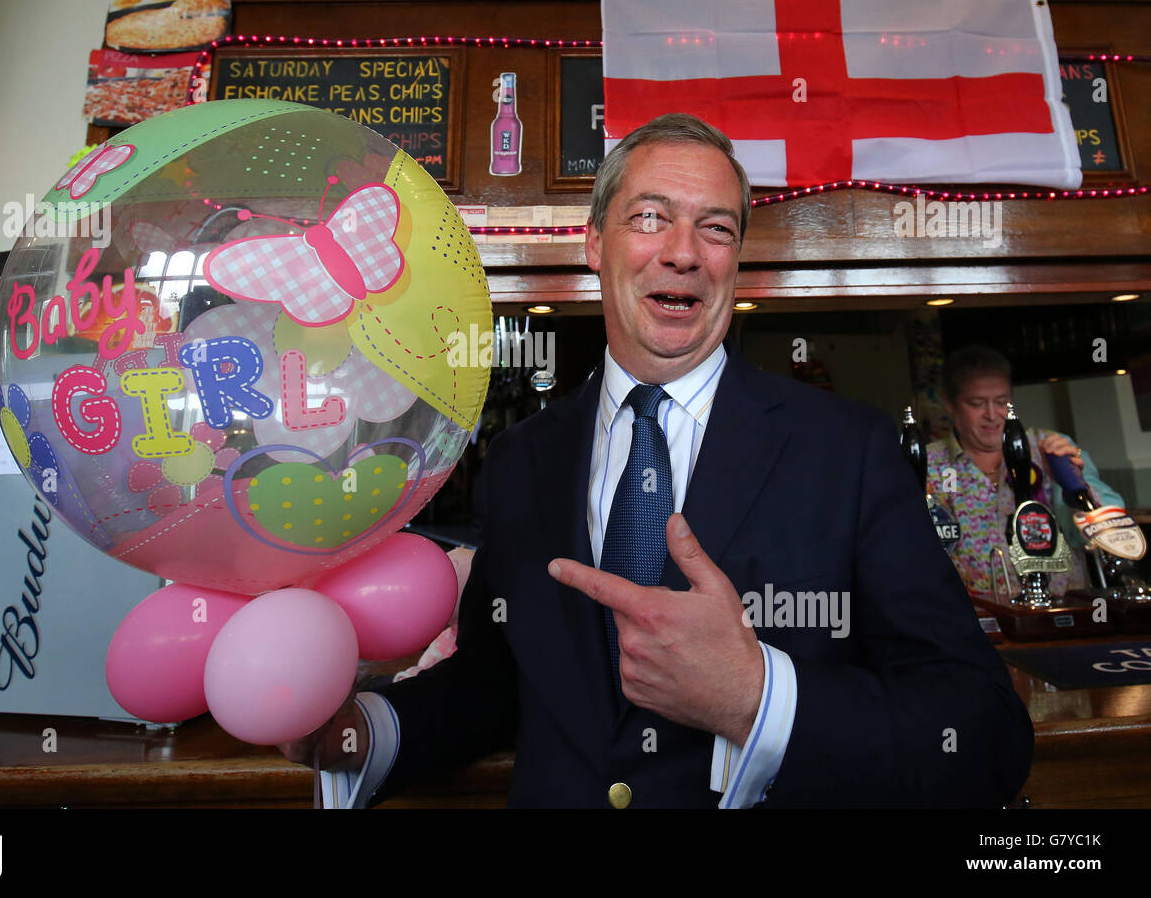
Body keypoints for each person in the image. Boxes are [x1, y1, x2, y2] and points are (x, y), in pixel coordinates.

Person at [287, 113, 1034, 808]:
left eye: (715, 228)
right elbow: (505, 681)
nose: (682, 251)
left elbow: (983, 729)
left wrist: (755, 696)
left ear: (736, 260)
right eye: (649, 217)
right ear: (594, 244)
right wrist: (366, 729)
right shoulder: (522, 460)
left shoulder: (848, 450)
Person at [927, 344, 1125, 597]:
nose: (992, 414)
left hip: (1059, 609)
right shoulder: (931, 464)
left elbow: (1113, 536)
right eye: (976, 403)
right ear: (949, 402)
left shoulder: (1050, 448)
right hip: (969, 618)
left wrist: (1072, 484)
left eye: (1001, 401)